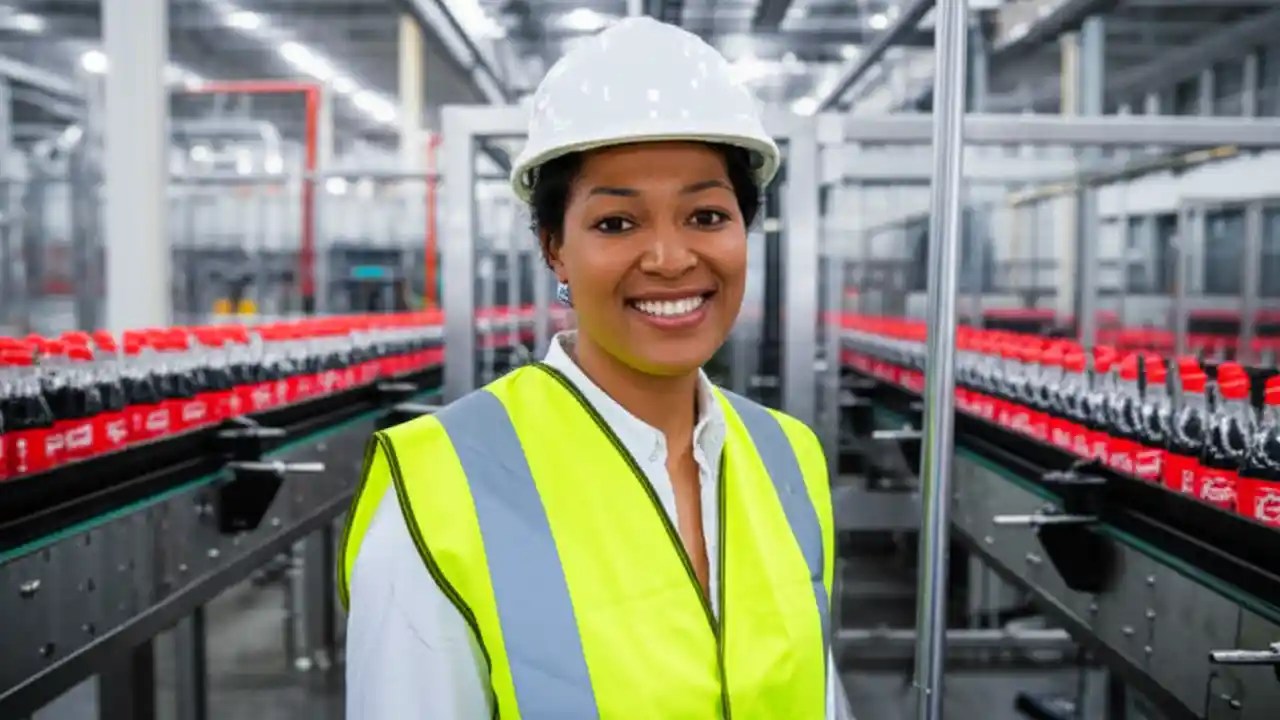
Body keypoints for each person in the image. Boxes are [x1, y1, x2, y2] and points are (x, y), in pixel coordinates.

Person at [340, 16, 849, 719]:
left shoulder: (789, 456)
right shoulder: (441, 483)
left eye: (706, 216)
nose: (670, 259)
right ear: (554, 247)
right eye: (617, 223)